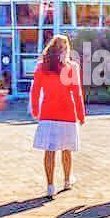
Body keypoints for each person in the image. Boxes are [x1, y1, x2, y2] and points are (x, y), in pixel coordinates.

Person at [30, 34, 85, 198]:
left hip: (48, 113)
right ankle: (67, 181)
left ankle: (50, 185)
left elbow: (35, 90)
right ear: (66, 49)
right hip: (67, 113)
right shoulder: (72, 67)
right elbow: (77, 93)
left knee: (49, 150)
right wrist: (81, 114)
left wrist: (35, 110)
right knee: (66, 149)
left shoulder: (42, 66)